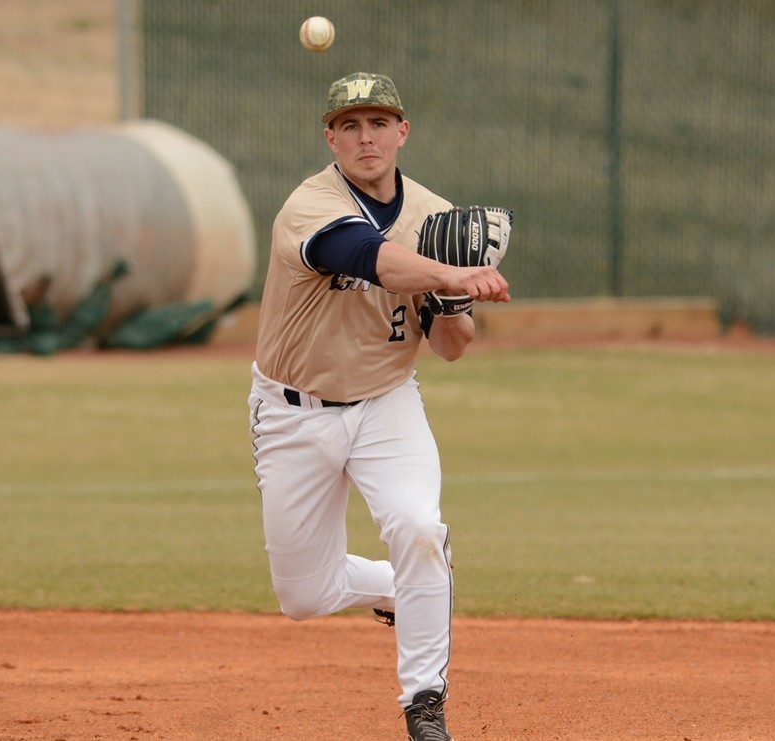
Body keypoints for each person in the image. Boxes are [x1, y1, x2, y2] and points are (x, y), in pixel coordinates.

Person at [248, 71, 509, 741]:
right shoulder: (309, 205)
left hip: (386, 402)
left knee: (419, 527)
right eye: (351, 126)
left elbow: (450, 346)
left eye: (379, 123)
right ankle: (404, 587)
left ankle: (425, 705)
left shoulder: (435, 218)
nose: (366, 138)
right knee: (304, 597)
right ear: (330, 138)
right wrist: (452, 272)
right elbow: (368, 256)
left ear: (402, 132)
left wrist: (453, 300)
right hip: (292, 410)